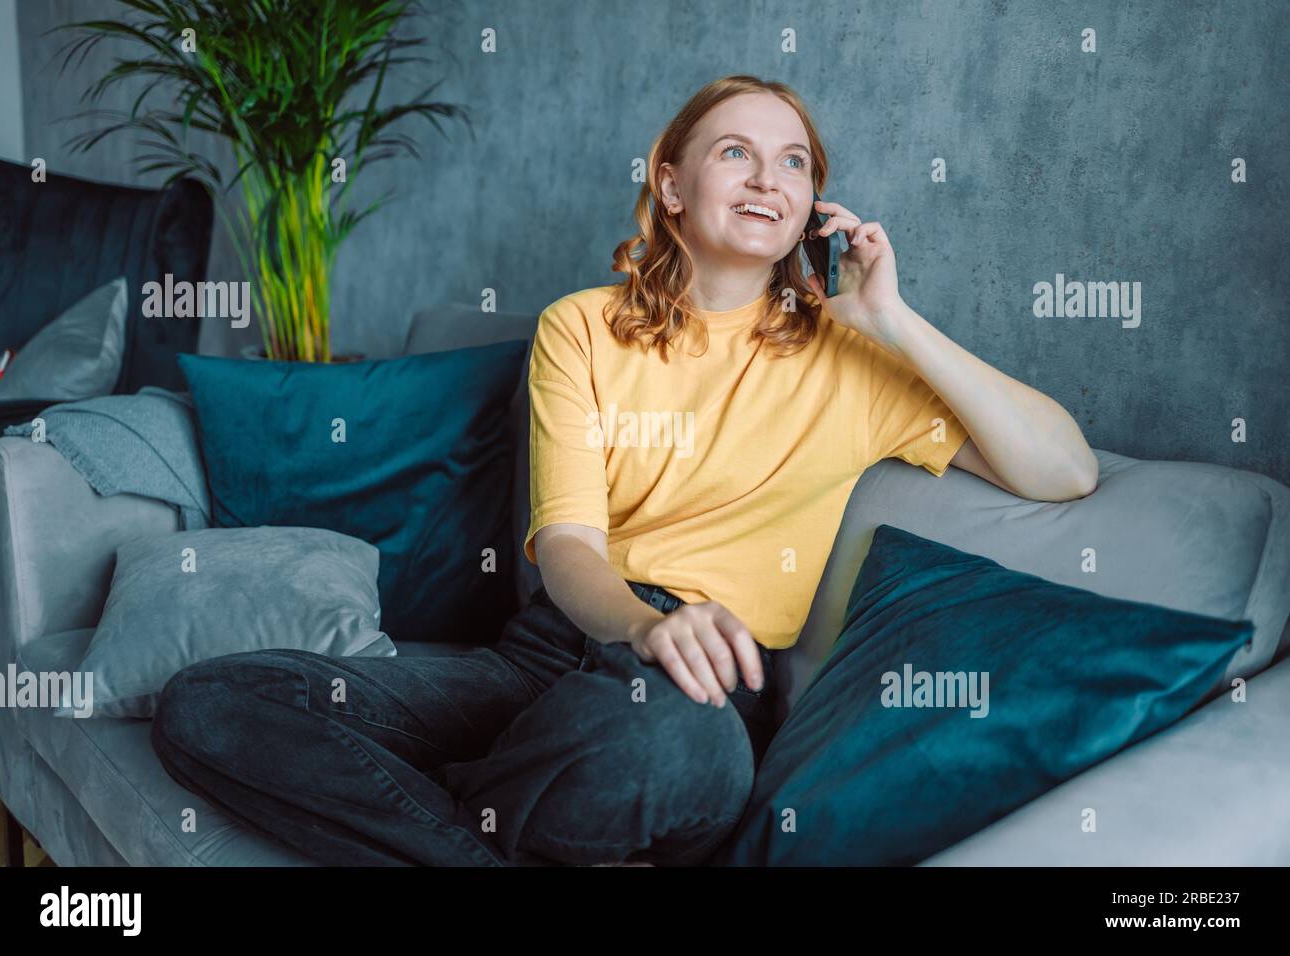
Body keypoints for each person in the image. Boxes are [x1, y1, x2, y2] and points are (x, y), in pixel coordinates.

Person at [151, 74, 1097, 867]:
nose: (770, 178)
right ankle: (501, 825)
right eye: (736, 152)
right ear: (673, 185)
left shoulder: (855, 362)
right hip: (553, 651)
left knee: (681, 754)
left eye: (795, 162)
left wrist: (894, 321)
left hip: (694, 689)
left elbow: (1065, 470)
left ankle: (467, 806)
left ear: (815, 204)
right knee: (216, 702)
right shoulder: (582, 328)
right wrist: (648, 624)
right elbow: (567, 543)